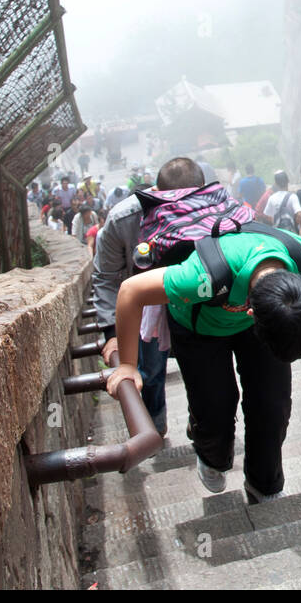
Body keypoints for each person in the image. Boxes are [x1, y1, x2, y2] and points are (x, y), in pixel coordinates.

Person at [106, 223, 301, 503]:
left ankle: (264, 484)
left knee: (273, 405)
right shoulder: (200, 277)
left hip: (267, 313)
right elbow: (130, 291)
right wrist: (127, 364)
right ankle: (211, 456)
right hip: (200, 328)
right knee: (215, 407)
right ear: (249, 313)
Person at [92, 156, 207, 437]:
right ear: (158, 193)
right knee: (150, 374)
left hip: (194, 298)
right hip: (146, 306)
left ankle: (203, 423)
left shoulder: (209, 209)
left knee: (202, 369)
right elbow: (106, 277)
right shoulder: (124, 219)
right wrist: (111, 332)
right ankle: (154, 430)